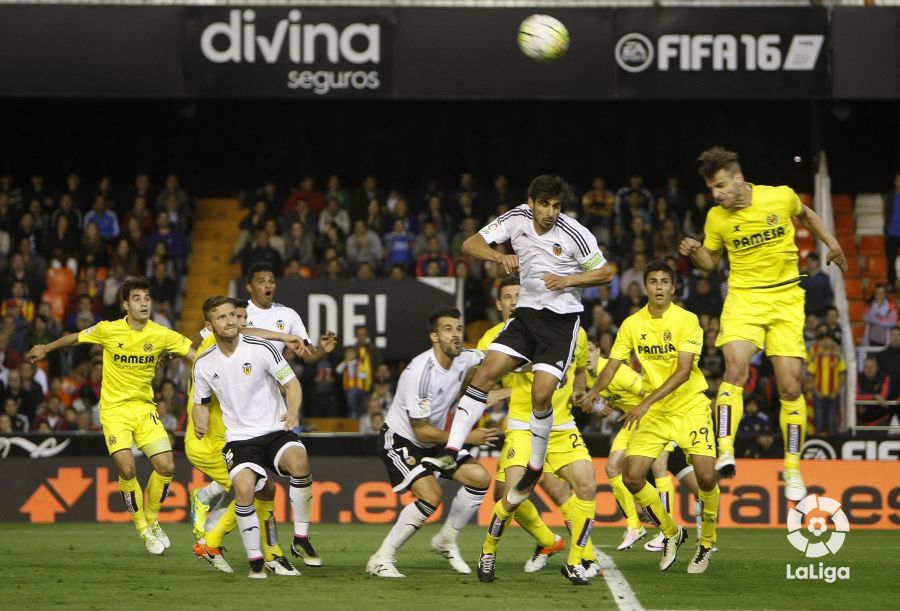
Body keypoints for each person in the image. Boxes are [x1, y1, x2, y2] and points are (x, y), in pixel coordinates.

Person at [423, 175, 612, 510]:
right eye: (545, 204)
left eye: (556, 205)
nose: (551, 212)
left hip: (561, 322)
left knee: (542, 393)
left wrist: (569, 279)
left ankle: (535, 467)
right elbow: (469, 244)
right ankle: (451, 452)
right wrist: (498, 257)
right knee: (485, 373)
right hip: (525, 316)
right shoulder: (516, 219)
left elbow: (605, 272)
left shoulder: (575, 234)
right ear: (532, 202)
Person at [679, 146, 847, 501]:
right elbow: (710, 263)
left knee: (790, 387)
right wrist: (696, 253)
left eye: (722, 186)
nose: (717, 194)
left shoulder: (780, 197)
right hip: (744, 299)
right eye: (713, 189)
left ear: (738, 178)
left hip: (786, 299)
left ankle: (792, 468)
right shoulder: (716, 218)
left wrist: (831, 243)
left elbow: (807, 215)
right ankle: (725, 450)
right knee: (735, 370)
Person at [25, 277, 194, 555]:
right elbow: (75, 338)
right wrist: (46, 347)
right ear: (125, 304)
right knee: (127, 469)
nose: (144, 303)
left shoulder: (161, 333)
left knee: (166, 466)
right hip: (114, 411)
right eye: (137, 299)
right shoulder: (107, 330)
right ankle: (142, 528)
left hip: (144, 409)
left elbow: (192, 352)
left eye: (147, 298)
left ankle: (152, 519)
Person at [584, 260, 720, 574]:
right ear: (646, 287)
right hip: (657, 412)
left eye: (664, 282)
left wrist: (644, 403)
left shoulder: (687, 320)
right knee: (631, 476)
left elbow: (684, 371)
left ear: (673, 287)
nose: (658, 287)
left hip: (689, 407)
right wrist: (595, 392)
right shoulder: (632, 324)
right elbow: (613, 364)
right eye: (653, 282)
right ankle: (672, 531)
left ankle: (707, 543)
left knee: (707, 477)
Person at [475, 276, 598, 585]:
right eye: (509, 296)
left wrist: (579, 392)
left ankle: (579, 559)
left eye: (520, 294)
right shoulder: (494, 338)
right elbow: (482, 382)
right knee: (512, 494)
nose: (515, 301)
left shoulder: (575, 332)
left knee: (585, 486)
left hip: (561, 425)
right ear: (500, 304)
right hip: (523, 426)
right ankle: (490, 550)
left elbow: (580, 368)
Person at [366, 306, 497, 578]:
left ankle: (446, 540)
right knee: (431, 496)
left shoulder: (465, 358)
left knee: (479, 478)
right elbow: (421, 431)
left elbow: (501, 361)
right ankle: (381, 558)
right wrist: (467, 437)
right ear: (434, 337)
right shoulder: (420, 372)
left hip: (434, 439)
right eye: (448, 329)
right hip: (402, 439)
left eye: (459, 329)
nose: (456, 335)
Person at [189, 298, 314, 576]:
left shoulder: (262, 349)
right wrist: (200, 421)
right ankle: (258, 559)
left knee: (286, 473)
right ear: (209, 327)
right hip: (237, 439)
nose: (231, 320)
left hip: (273, 431)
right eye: (222, 317)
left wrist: (292, 410)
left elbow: (291, 383)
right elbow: (201, 401)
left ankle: (288, 545)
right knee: (249, 488)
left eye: (233, 315)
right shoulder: (204, 363)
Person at [242, 261, 336, 566]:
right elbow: (226, 333)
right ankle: (213, 536)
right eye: (261, 281)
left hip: (274, 411)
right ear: (249, 287)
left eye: (271, 280)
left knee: (300, 461)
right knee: (249, 487)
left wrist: (321, 351)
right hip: (237, 415)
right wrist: (281, 338)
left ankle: (301, 539)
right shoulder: (236, 312)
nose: (268, 285)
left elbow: (305, 356)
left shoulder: (288, 315)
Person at [806, 333, 846, 435]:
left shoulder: (838, 357)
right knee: (818, 421)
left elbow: (842, 375)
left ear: (832, 342)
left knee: (832, 421)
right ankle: (819, 442)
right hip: (818, 394)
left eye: (828, 340)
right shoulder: (815, 358)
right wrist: (815, 391)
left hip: (833, 394)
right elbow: (810, 376)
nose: (826, 342)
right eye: (824, 340)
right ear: (820, 343)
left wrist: (836, 392)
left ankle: (832, 443)